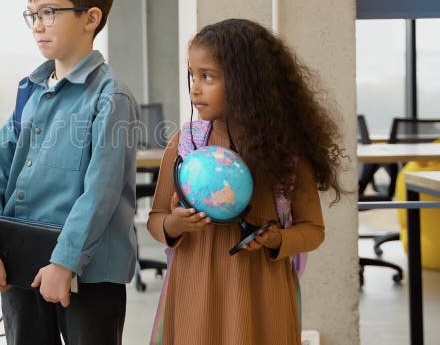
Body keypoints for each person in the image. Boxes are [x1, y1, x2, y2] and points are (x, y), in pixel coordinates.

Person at [0, 0, 139, 345]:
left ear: (90, 18)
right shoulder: (30, 90)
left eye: (49, 12)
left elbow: (101, 193)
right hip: (20, 264)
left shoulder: (111, 99)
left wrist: (65, 261)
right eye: (32, 15)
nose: (38, 26)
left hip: (87, 274)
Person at [147, 18, 347, 345]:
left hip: (261, 294)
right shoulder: (184, 143)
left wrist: (275, 240)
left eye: (207, 76)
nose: (195, 87)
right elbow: (155, 220)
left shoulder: (287, 152)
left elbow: (313, 230)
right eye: (192, 76)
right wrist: (174, 224)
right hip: (193, 290)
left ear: (245, 82)